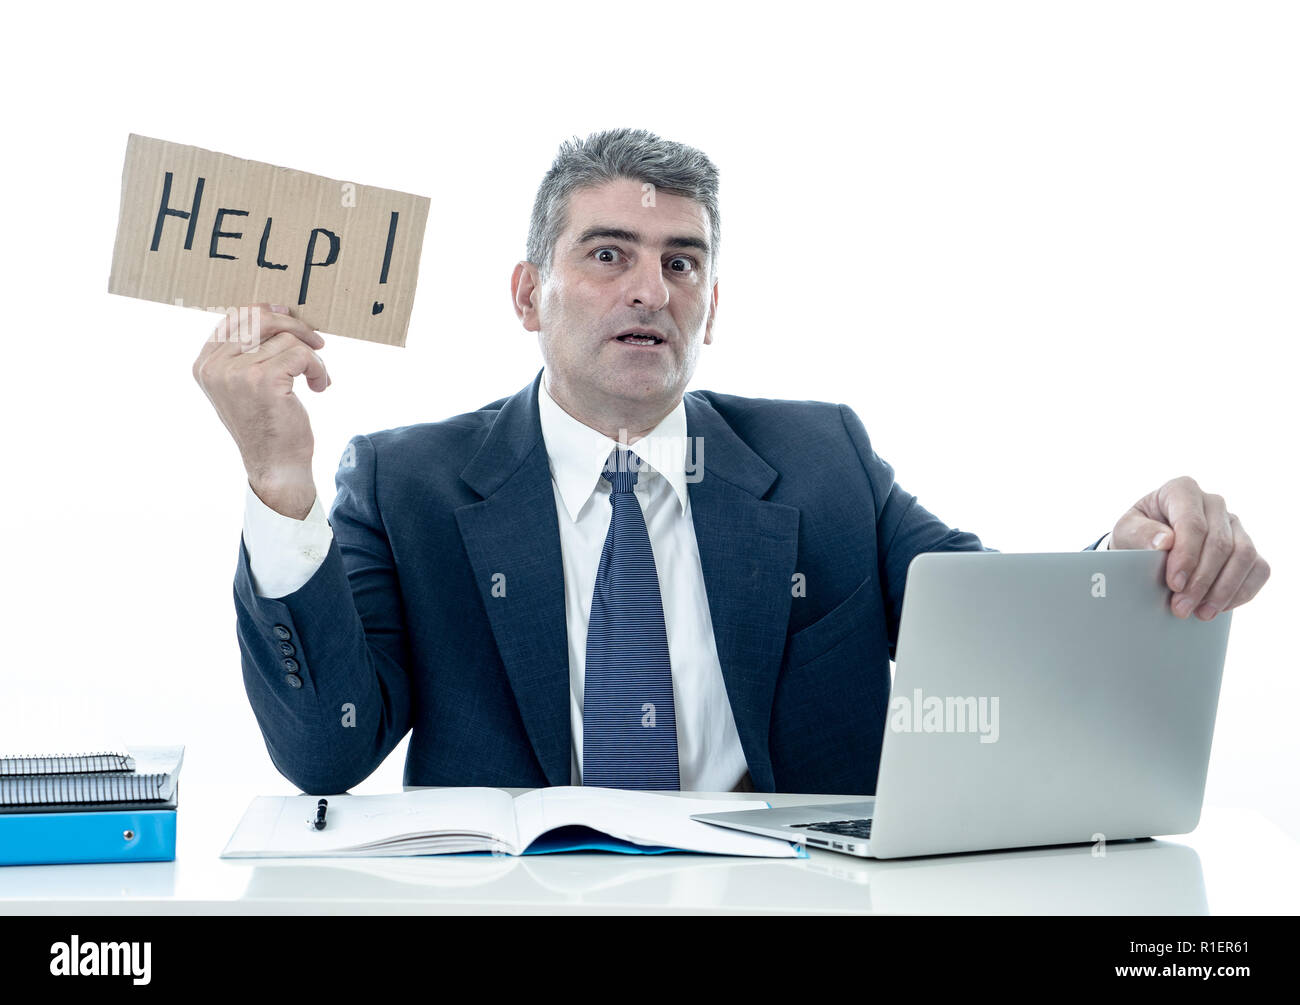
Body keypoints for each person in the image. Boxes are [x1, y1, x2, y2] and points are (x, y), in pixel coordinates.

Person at [192, 128, 1270, 796]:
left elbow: (986, 625)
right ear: (528, 294)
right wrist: (280, 485)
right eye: (607, 254)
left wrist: (1121, 565)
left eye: (681, 262)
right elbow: (326, 756)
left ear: (713, 303)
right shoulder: (407, 482)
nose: (649, 290)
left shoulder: (821, 458)